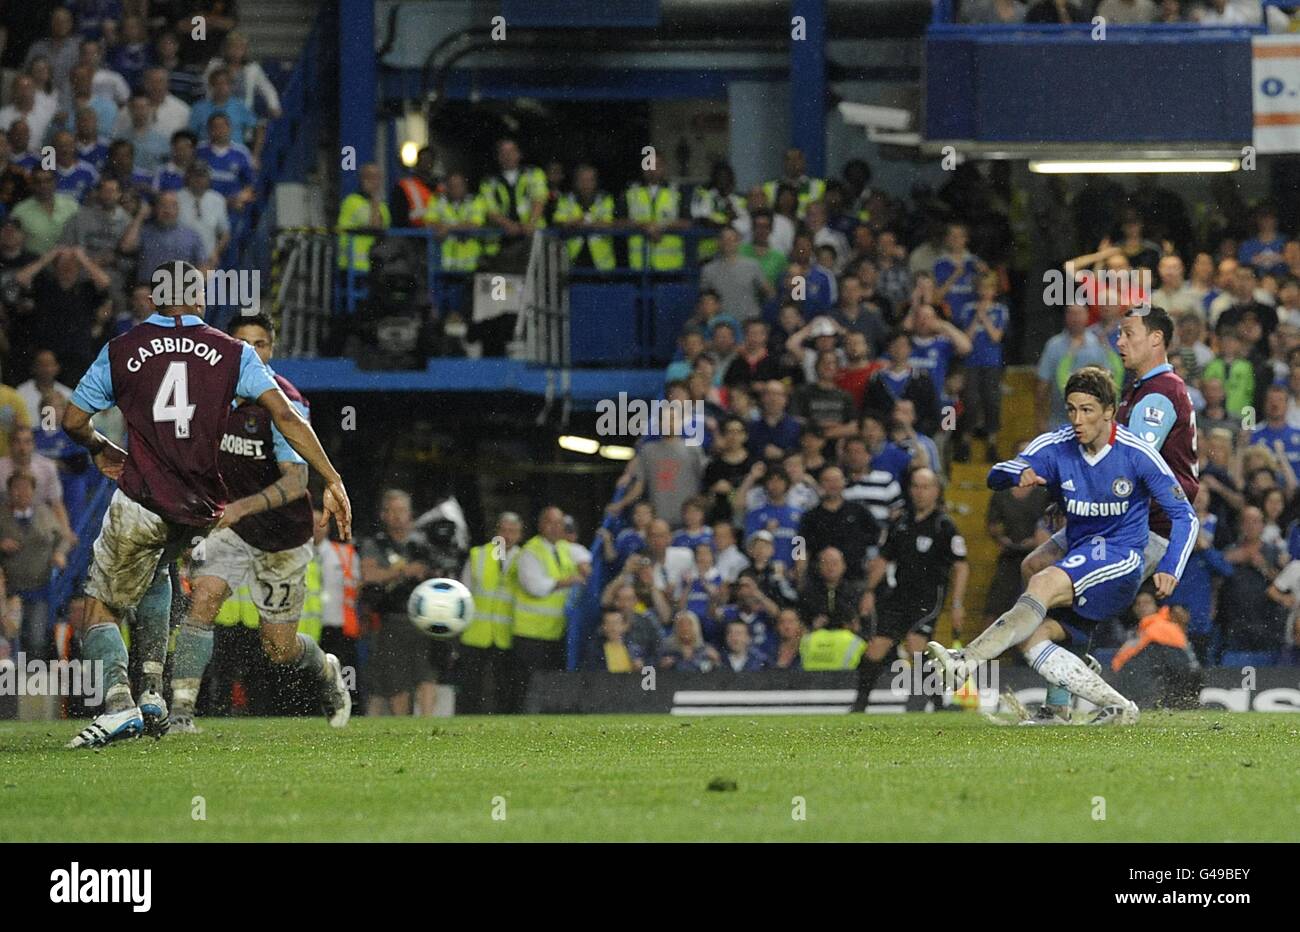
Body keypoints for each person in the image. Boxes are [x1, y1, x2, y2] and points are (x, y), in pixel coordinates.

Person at [62, 260, 350, 748]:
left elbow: (72, 420)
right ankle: (162, 701)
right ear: (201, 299)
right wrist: (335, 477)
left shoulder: (122, 350)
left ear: (152, 298)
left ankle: (118, 705)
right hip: (203, 511)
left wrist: (99, 447)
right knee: (176, 584)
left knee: (99, 605)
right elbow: (285, 417)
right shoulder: (232, 355)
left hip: (181, 505)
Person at [929, 367, 1197, 726]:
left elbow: (1185, 515)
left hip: (1120, 555)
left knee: (1041, 584)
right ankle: (1098, 706)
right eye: (1071, 409)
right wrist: (1016, 473)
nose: (1077, 419)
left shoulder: (1136, 453)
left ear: (1109, 411)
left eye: (1087, 410)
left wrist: (1169, 568)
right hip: (1079, 547)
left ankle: (966, 661)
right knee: (1032, 629)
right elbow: (996, 475)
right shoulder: (1056, 444)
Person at [163, 313, 350, 734]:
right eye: (242, 342)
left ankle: (325, 668)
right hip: (231, 528)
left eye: (261, 344)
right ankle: (181, 715)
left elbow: (297, 480)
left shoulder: (286, 401)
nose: (252, 351)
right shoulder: (210, 396)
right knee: (204, 599)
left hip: (283, 534)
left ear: (272, 349)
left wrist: (240, 508)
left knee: (278, 648)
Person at [1020, 306, 1200, 722]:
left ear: (1156, 339)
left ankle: (1064, 700)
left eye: (1127, 333)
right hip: (1111, 521)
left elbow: (1131, 466)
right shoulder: (1138, 390)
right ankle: (1077, 664)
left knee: (1062, 599)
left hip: (1146, 530)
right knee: (1036, 567)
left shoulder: (1160, 394)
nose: (1118, 341)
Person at [856, 468, 968, 712]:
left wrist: (957, 603)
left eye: (925, 487)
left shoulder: (944, 525)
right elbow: (883, 559)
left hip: (928, 597)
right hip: (898, 595)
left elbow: (961, 566)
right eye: (915, 486)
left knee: (915, 644)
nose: (919, 492)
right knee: (875, 648)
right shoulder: (900, 522)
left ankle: (937, 703)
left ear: (936, 491)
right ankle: (859, 705)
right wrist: (869, 591)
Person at [511, 506, 589, 692]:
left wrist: (585, 565)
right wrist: (567, 581)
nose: (555, 527)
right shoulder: (530, 551)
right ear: (540, 525)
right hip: (531, 634)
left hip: (557, 632)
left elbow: (585, 555)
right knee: (530, 687)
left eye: (559, 523)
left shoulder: (564, 548)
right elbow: (535, 587)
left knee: (553, 685)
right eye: (550, 522)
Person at [0, 471, 73, 661]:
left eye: (26, 488)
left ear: (33, 491)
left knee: (36, 637)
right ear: (9, 491)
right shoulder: (2, 515)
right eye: (16, 488)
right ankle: (11, 682)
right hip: (10, 590)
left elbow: (64, 538)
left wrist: (59, 553)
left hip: (39, 587)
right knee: (10, 637)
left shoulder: (44, 513)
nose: (21, 492)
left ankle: (34, 681)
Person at [458, 512, 522, 714]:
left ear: (519, 535)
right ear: (496, 532)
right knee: (471, 683)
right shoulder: (479, 554)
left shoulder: (525, 558)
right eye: (504, 530)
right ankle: (468, 716)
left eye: (512, 531)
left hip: (506, 632)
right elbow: (464, 590)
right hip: (476, 631)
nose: (508, 536)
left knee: (504, 682)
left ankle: (502, 717)